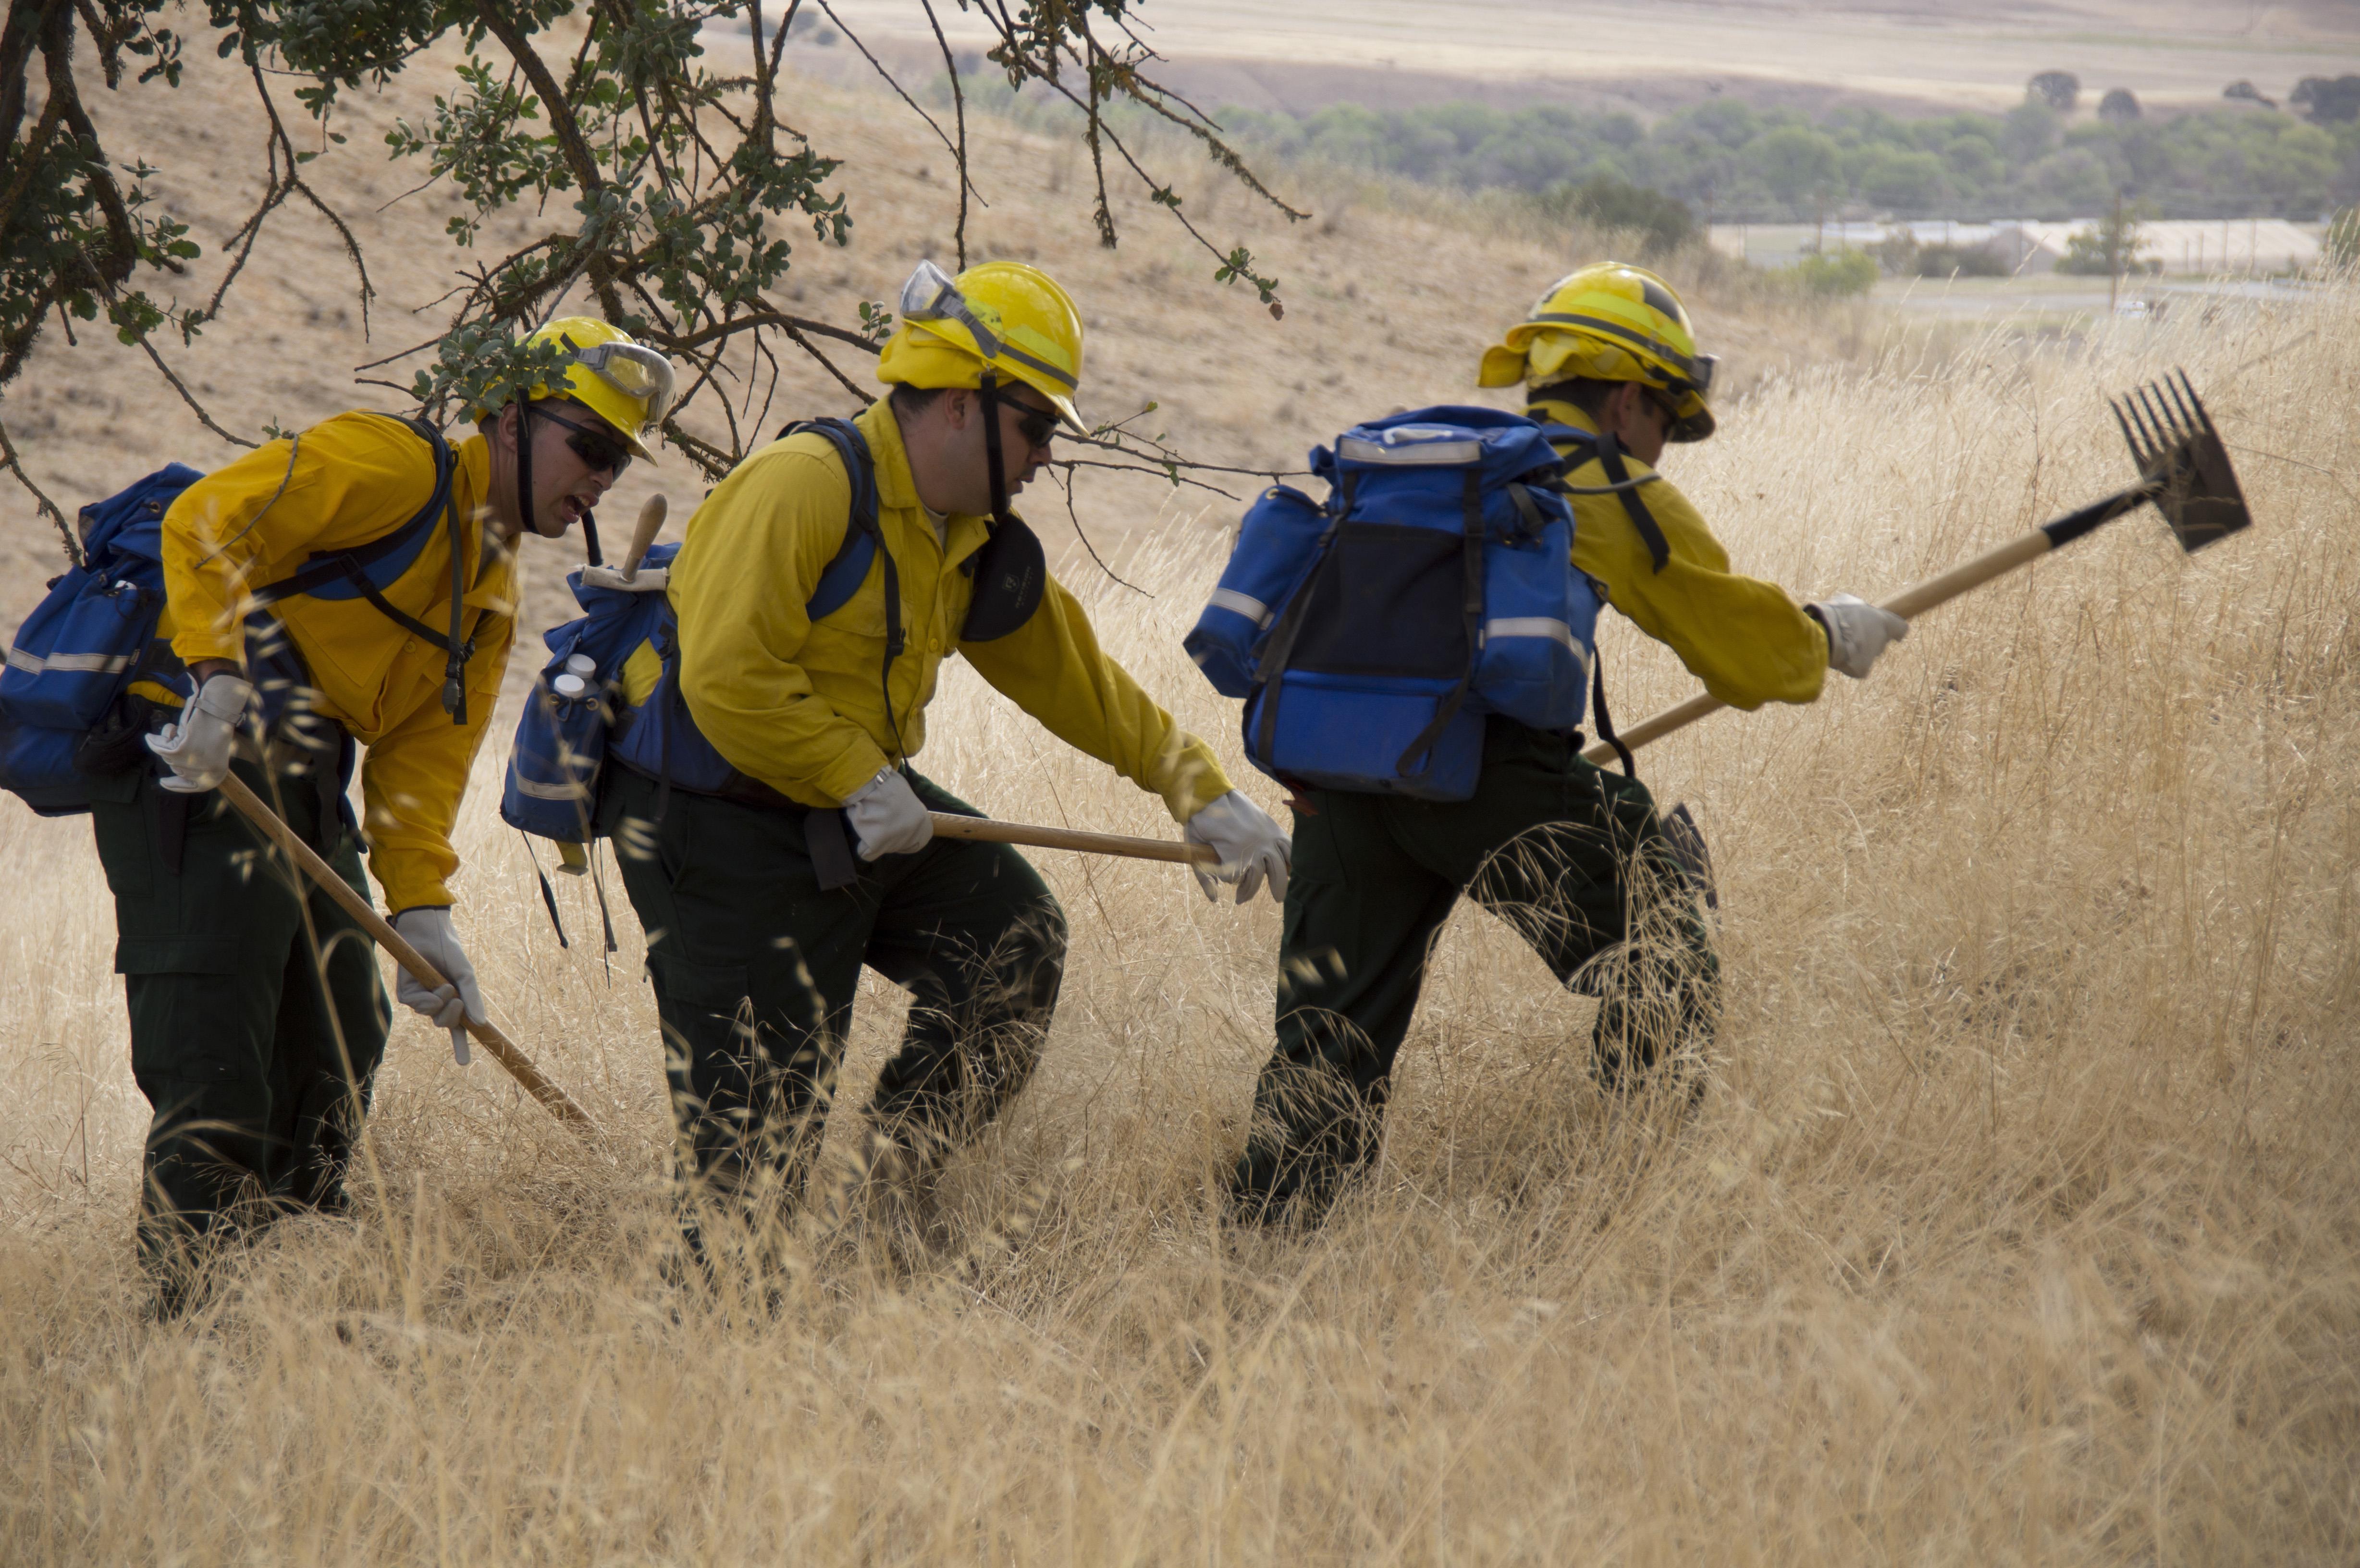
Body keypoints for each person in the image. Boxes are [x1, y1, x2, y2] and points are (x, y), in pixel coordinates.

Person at [599, 257, 1289, 1259]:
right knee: (753, 1145)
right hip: (719, 816)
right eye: (1038, 425)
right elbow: (729, 679)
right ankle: (710, 1342)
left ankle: (891, 1187)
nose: (1045, 455)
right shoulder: (803, 486)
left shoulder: (966, 532)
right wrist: (861, 780)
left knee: (1010, 942)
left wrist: (1202, 794)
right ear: (965, 403)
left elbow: (1072, 678)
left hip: (849, 797)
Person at [1227, 262, 1909, 1224]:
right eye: (1666, 420)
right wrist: (1824, 638)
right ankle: (1635, 1199)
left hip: (1338, 788)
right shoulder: (1596, 479)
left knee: (1322, 1049)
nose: (1663, 446)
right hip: (1485, 783)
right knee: (1661, 932)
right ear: (1627, 397)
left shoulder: (1424, 470)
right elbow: (1734, 647)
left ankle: (1263, 1249)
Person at [112, 317, 672, 1313]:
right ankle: (180, 1325)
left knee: (342, 1042)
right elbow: (205, 519)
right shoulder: (388, 465)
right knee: (217, 1055)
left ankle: (285, 1296)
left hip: (303, 781)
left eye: (617, 463)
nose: (600, 481)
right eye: (588, 447)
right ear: (506, 419)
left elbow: (424, 758)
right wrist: (213, 678)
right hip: (201, 760)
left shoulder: (491, 584)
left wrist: (424, 910)